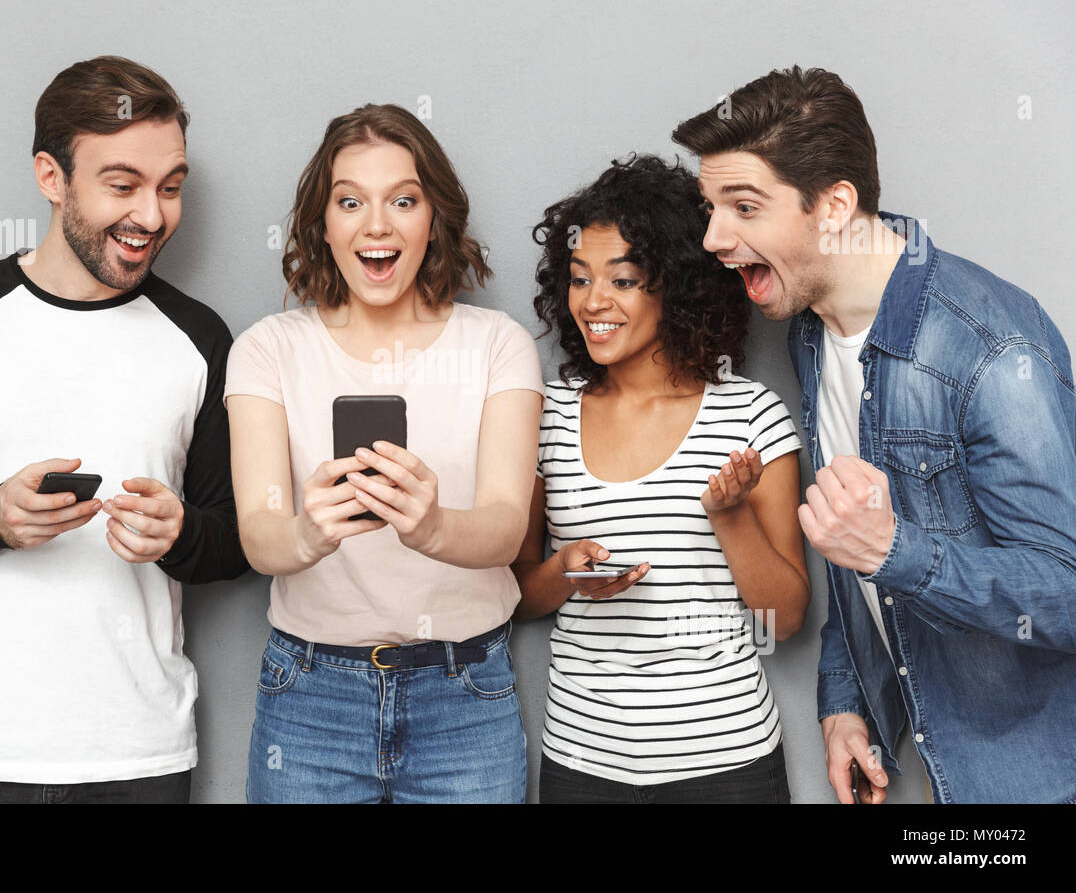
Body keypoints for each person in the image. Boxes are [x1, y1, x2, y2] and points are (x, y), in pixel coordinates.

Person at [0, 55, 250, 804]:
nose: (151, 216)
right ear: (51, 178)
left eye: (170, 187)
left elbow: (237, 541)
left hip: (138, 759)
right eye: (122, 185)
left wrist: (182, 534)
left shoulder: (201, 337)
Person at [673, 66, 1076, 804]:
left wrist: (901, 552)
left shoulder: (992, 352)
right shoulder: (812, 330)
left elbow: (1068, 593)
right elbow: (847, 551)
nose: (713, 237)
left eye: (744, 206)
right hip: (924, 769)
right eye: (710, 207)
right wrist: (845, 701)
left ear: (834, 206)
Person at [224, 103, 544, 803]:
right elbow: (259, 536)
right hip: (310, 696)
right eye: (350, 202)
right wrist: (308, 533)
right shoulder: (267, 350)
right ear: (324, 224)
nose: (377, 224)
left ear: (434, 218)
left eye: (403, 200)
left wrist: (430, 526)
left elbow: (503, 524)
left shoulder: (497, 345)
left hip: (465, 694)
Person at [512, 153, 810, 803]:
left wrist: (730, 518)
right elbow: (514, 597)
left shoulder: (750, 413)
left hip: (727, 761)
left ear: (676, 286)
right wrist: (564, 572)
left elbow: (783, 619)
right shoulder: (548, 415)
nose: (594, 302)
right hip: (581, 760)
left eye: (622, 281)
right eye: (580, 278)